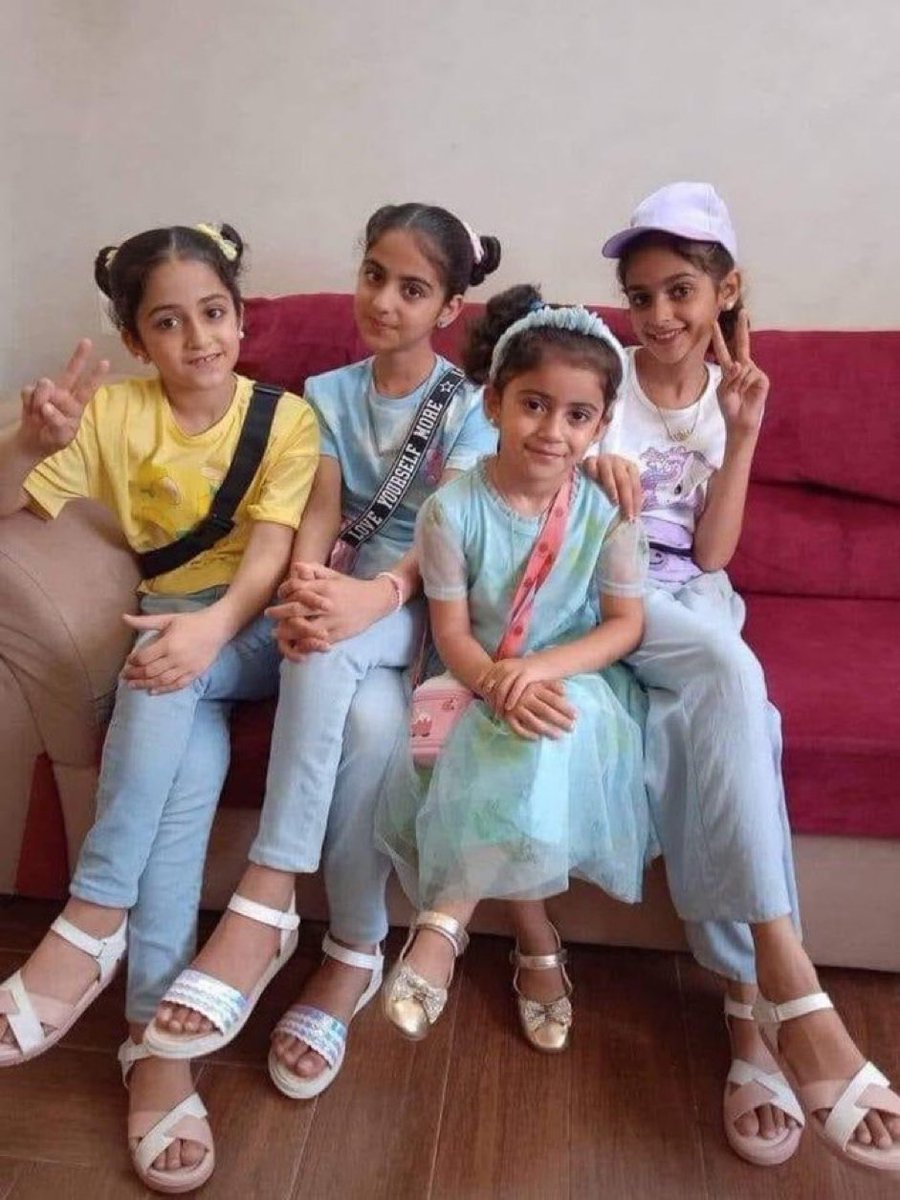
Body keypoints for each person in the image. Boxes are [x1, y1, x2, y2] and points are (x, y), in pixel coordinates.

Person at [144, 203, 502, 1100]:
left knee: (321, 655)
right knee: (373, 728)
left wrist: (371, 598)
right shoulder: (327, 393)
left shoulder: (469, 404)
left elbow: (449, 535)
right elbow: (320, 510)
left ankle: (265, 901)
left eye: (412, 289)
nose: (384, 301)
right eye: (374, 275)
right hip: (343, 598)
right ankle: (354, 948)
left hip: (420, 603)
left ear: (450, 307)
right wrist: (307, 588)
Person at [0, 223, 319, 1190]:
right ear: (137, 340)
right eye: (170, 323)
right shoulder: (112, 413)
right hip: (181, 643)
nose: (198, 338)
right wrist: (27, 445)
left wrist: (209, 631)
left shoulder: (287, 420)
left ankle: (91, 916)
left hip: (252, 632)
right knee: (183, 778)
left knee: (157, 665)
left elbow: (272, 555)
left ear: (240, 317)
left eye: (214, 313)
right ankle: (156, 1049)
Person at [592, 181, 900, 1174]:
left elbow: (715, 556)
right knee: (730, 670)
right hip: (609, 588)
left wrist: (745, 431)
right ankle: (788, 994)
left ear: (725, 291)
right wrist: (597, 482)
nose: (658, 316)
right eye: (641, 296)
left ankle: (747, 1012)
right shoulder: (600, 374)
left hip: (694, 598)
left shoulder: (735, 397)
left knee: (740, 721)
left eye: (680, 291)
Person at [376, 285, 653, 1054]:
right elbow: (451, 633)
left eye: (578, 416)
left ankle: (445, 925)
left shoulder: (607, 507)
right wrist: (501, 681)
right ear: (494, 402)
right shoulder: (450, 510)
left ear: (601, 423)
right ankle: (535, 938)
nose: (553, 431)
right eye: (534, 405)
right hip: (477, 674)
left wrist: (536, 672)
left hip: (578, 677)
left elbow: (624, 625)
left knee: (537, 727)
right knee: (513, 733)